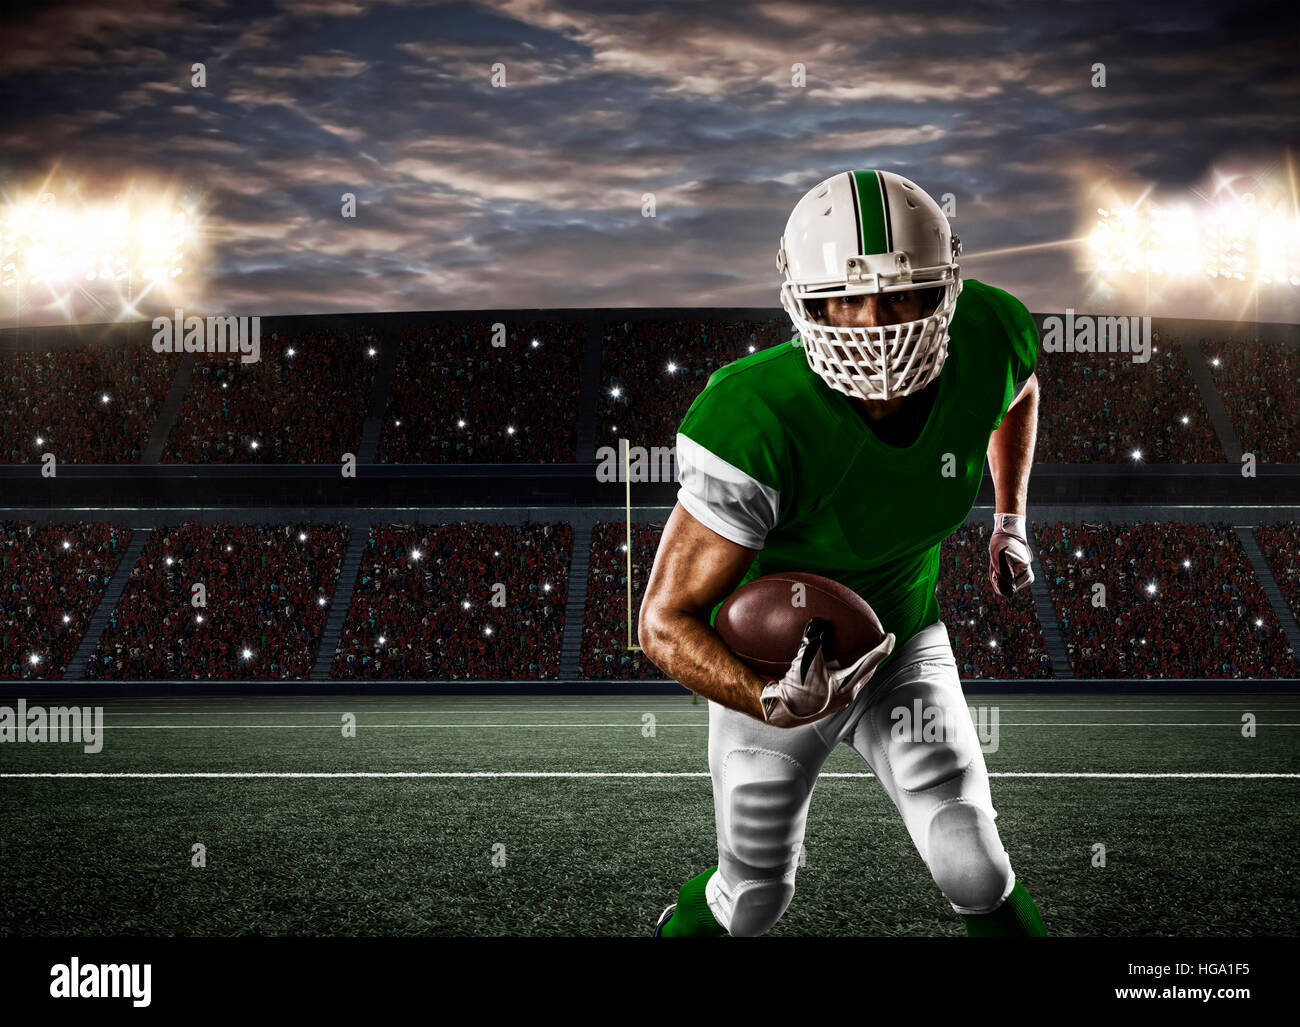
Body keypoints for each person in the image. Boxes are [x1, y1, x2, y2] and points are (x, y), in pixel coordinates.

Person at [639, 169, 1045, 937]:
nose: (875, 325)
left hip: (901, 641)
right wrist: (766, 697)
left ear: (945, 290)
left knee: (974, 861)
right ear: (803, 301)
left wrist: (1010, 517)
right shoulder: (754, 415)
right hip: (777, 665)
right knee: (753, 898)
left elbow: (1018, 391)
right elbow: (662, 621)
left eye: (902, 294)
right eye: (847, 298)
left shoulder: (991, 333)